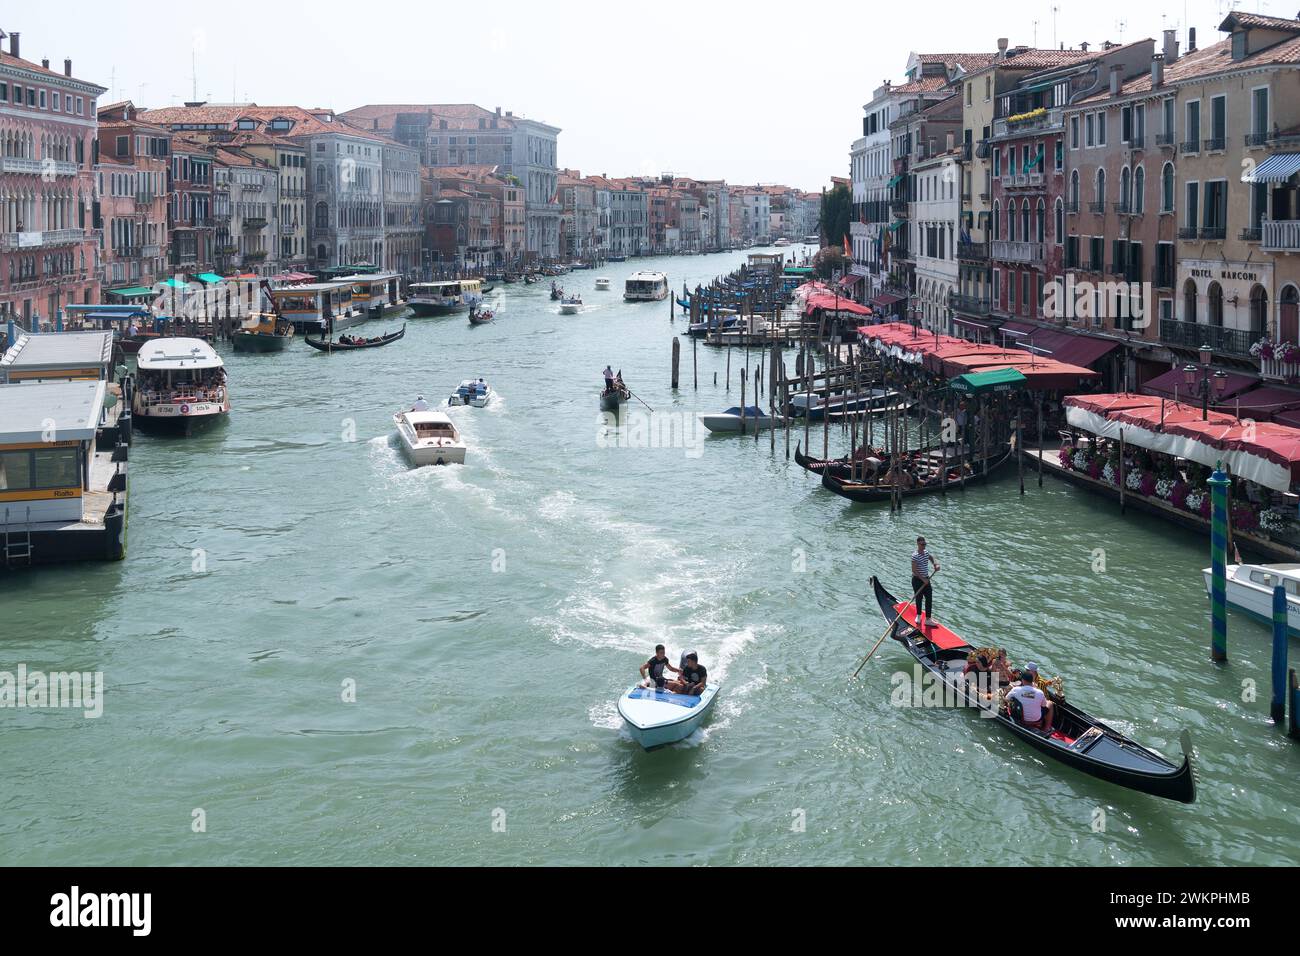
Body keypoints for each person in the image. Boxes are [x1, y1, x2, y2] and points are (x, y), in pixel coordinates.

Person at [910, 536, 939, 628]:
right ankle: (918, 616)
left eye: (925, 544)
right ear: (918, 544)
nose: (924, 546)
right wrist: (923, 579)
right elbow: (914, 570)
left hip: (926, 579)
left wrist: (935, 564)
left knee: (929, 598)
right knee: (919, 598)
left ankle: (928, 619)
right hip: (917, 580)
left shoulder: (926, 553)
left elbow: (931, 558)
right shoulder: (915, 556)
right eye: (922, 544)